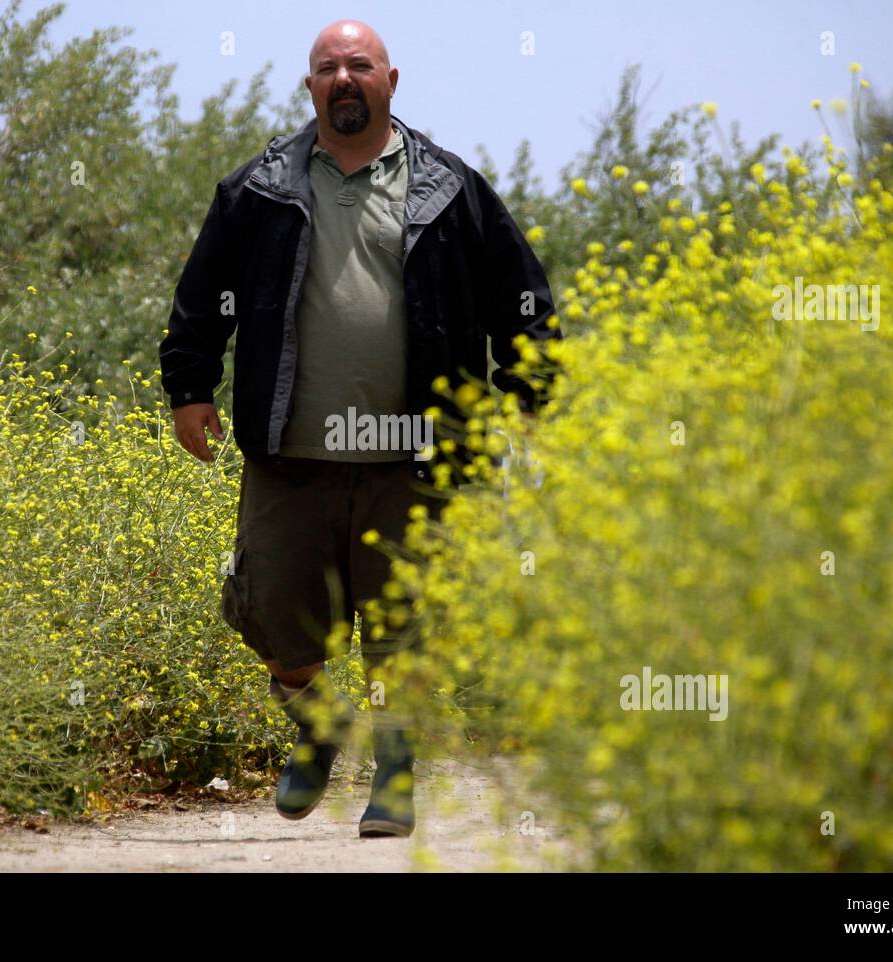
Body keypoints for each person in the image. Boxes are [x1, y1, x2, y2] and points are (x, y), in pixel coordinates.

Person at [160, 19, 561, 838]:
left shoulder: (451, 188)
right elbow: (203, 294)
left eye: (360, 66)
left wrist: (526, 399)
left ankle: (396, 770)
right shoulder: (258, 188)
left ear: (391, 79)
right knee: (274, 614)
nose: (345, 78)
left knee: (402, 626)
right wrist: (189, 385)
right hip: (290, 448)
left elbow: (522, 297)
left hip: (411, 454)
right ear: (310, 87)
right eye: (328, 68)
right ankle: (316, 726)